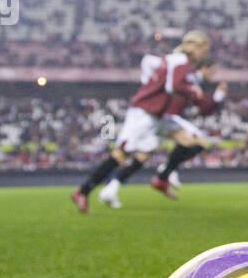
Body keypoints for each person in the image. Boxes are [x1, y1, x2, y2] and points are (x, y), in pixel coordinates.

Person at [71, 30, 225, 212]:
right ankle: (83, 190)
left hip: (160, 114)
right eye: (204, 50)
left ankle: (163, 176)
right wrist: (193, 91)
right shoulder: (180, 61)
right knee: (121, 155)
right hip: (144, 112)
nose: (205, 55)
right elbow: (172, 86)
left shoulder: (182, 64)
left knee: (195, 142)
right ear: (195, 47)